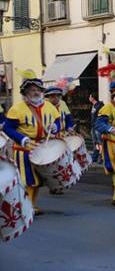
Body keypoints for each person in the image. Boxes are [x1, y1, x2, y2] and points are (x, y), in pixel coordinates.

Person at [3, 70, 60, 215]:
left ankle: (32, 205)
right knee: (28, 179)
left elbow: (57, 121)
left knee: (38, 181)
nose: (36, 92)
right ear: (26, 92)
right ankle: (26, 206)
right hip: (24, 149)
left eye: (38, 90)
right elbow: (8, 128)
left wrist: (55, 127)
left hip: (42, 147)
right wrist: (22, 139)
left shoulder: (50, 107)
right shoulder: (17, 109)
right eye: (32, 90)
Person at [90, 92, 104, 163]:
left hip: (98, 127)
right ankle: (95, 156)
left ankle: (100, 156)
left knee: (100, 142)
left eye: (90, 97)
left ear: (93, 98)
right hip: (93, 126)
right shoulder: (93, 106)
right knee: (95, 142)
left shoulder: (99, 106)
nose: (89, 98)